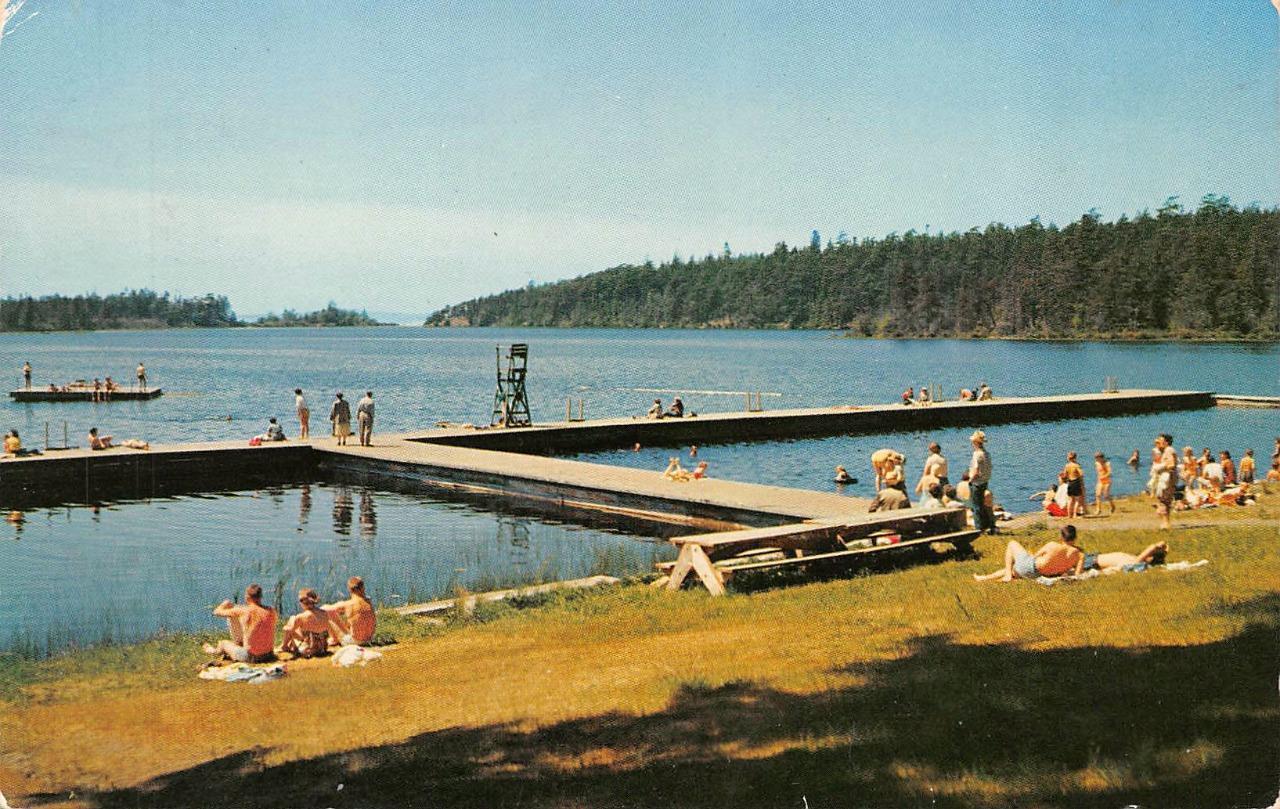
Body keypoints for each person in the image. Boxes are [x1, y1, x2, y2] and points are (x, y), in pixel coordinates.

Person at [973, 525, 1084, 582]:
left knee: (1012, 544)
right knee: (1014, 568)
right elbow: (1077, 575)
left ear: (1061, 536)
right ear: (1075, 537)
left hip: (1030, 568)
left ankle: (1007, 576)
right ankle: (984, 578)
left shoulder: (1052, 545)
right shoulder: (1080, 555)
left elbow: (1035, 556)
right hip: (1042, 575)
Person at [204, 583, 278, 663]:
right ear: (261, 597)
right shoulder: (271, 610)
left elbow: (216, 612)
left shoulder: (243, 611)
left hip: (251, 657)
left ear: (247, 597)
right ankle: (239, 645)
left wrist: (225, 603)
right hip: (269, 655)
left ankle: (213, 651)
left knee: (223, 643)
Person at [280, 589, 343, 658]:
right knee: (299, 625)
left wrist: (285, 628)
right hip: (323, 649)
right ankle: (287, 645)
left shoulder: (301, 617)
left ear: (303, 602)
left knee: (291, 621)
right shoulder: (324, 613)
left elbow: (289, 631)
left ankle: (284, 646)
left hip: (308, 651)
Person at [324, 576, 377, 646]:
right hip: (369, 639)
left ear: (350, 589)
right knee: (352, 620)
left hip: (354, 642)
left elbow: (324, 609)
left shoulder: (348, 604)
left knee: (328, 613)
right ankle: (334, 639)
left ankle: (334, 639)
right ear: (363, 588)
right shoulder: (368, 601)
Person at [968, 431, 995, 535]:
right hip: (985, 481)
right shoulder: (987, 454)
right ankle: (987, 525)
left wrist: (970, 481)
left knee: (976, 506)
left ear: (975, 442)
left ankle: (979, 529)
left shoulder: (977, 454)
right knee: (983, 505)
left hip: (977, 483)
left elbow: (976, 470)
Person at [1082, 541, 1169, 573]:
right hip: (1092, 558)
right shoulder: (1135, 558)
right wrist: (1163, 553)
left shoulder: (1136, 562)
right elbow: (1163, 543)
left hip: (1090, 562)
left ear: (1151, 558)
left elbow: (1153, 546)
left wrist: (1160, 550)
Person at [1151, 433, 1178, 530]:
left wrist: (1161, 467)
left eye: (1161, 440)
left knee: (1164, 500)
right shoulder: (1167, 450)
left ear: (1166, 442)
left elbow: (1172, 464)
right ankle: (1166, 523)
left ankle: (1165, 524)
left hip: (1169, 477)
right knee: (1165, 500)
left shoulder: (1169, 450)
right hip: (1169, 477)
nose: (1159, 442)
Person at [1061, 452, 1085, 518]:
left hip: (1070, 483)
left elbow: (1064, 475)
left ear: (1068, 458)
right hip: (1076, 482)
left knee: (1070, 500)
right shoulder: (1077, 465)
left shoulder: (1067, 465)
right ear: (1075, 457)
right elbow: (1081, 474)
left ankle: (1069, 515)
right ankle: (1074, 514)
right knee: (1077, 499)